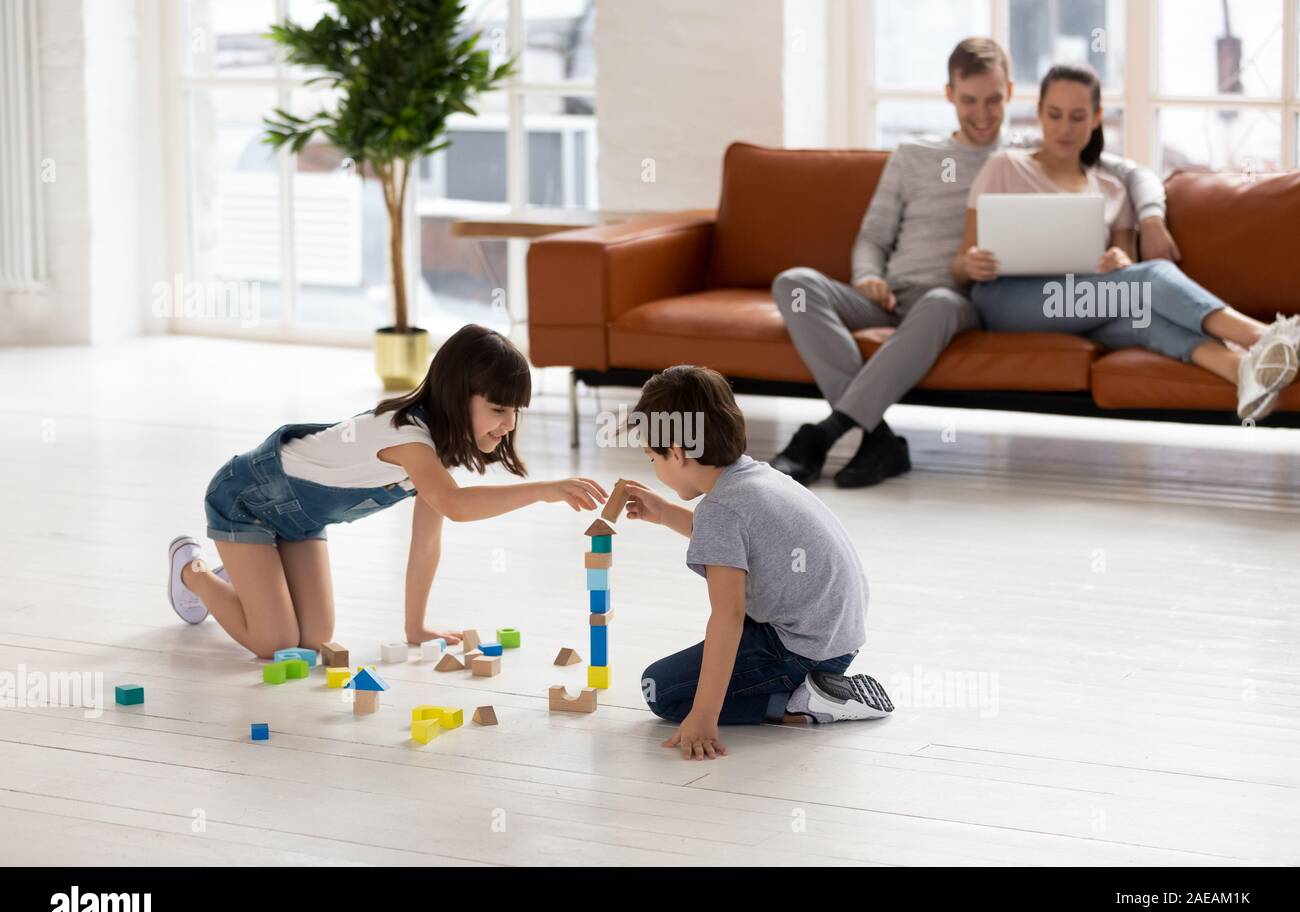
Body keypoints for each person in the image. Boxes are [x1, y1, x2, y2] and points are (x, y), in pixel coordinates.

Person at [770, 37, 1178, 487]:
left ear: (1011, 94)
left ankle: (819, 437)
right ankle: (877, 436)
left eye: (993, 101)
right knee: (794, 284)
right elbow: (872, 236)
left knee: (941, 302)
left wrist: (1152, 217)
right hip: (889, 298)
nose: (982, 115)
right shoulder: (913, 156)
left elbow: (1132, 173)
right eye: (968, 100)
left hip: (959, 301)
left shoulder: (1030, 153)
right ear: (949, 94)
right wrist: (868, 277)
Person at [167, 323, 608, 659]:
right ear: (458, 395)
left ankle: (245, 574)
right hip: (245, 500)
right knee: (274, 644)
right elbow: (455, 506)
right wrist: (544, 490)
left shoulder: (437, 454)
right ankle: (194, 571)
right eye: (498, 409)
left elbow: (426, 541)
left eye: (515, 411)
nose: (509, 424)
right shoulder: (408, 439)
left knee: (315, 640)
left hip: (300, 521)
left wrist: (414, 629)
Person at [958, 64, 1300, 421]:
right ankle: (1265, 336)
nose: (1064, 128)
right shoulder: (1003, 166)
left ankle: (1243, 372)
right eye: (1055, 115)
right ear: (1039, 112)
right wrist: (970, 264)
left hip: (1081, 301)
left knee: (1141, 316)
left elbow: (1126, 265)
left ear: (1096, 118)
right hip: (1007, 299)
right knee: (1151, 280)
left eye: (1077, 117)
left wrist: (1117, 261)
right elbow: (959, 263)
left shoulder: (1111, 187)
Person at [622, 365, 893, 761]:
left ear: (677, 453)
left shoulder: (720, 510)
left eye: (652, 458)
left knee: (658, 689)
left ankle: (802, 702)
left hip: (802, 649)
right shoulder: (753, 476)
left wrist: (703, 714)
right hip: (837, 634)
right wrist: (665, 514)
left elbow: (728, 617)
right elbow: (738, 545)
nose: (654, 469)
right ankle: (821, 685)